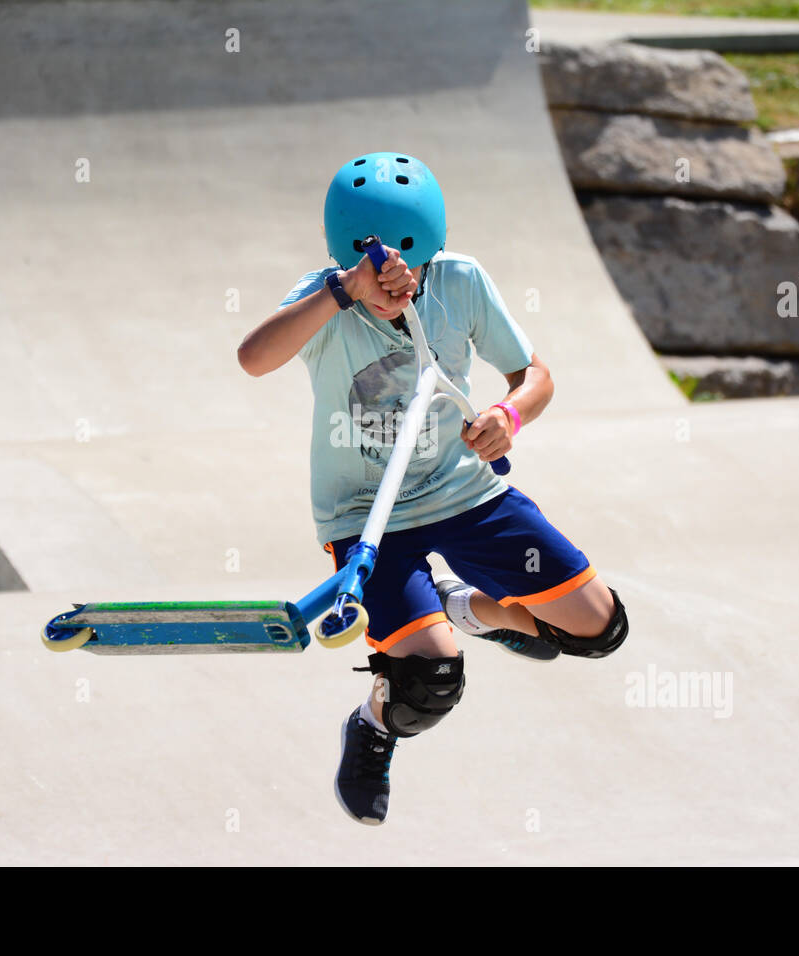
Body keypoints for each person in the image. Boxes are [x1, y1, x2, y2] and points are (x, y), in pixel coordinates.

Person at [237, 152, 629, 825]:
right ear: (353, 262)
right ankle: (374, 726)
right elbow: (253, 359)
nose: (401, 291)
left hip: (464, 494)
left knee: (600, 629)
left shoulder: (460, 281)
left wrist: (508, 417)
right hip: (367, 517)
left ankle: (471, 607)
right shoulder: (322, 296)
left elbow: (533, 375)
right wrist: (342, 293)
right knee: (430, 682)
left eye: (411, 276)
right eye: (384, 279)